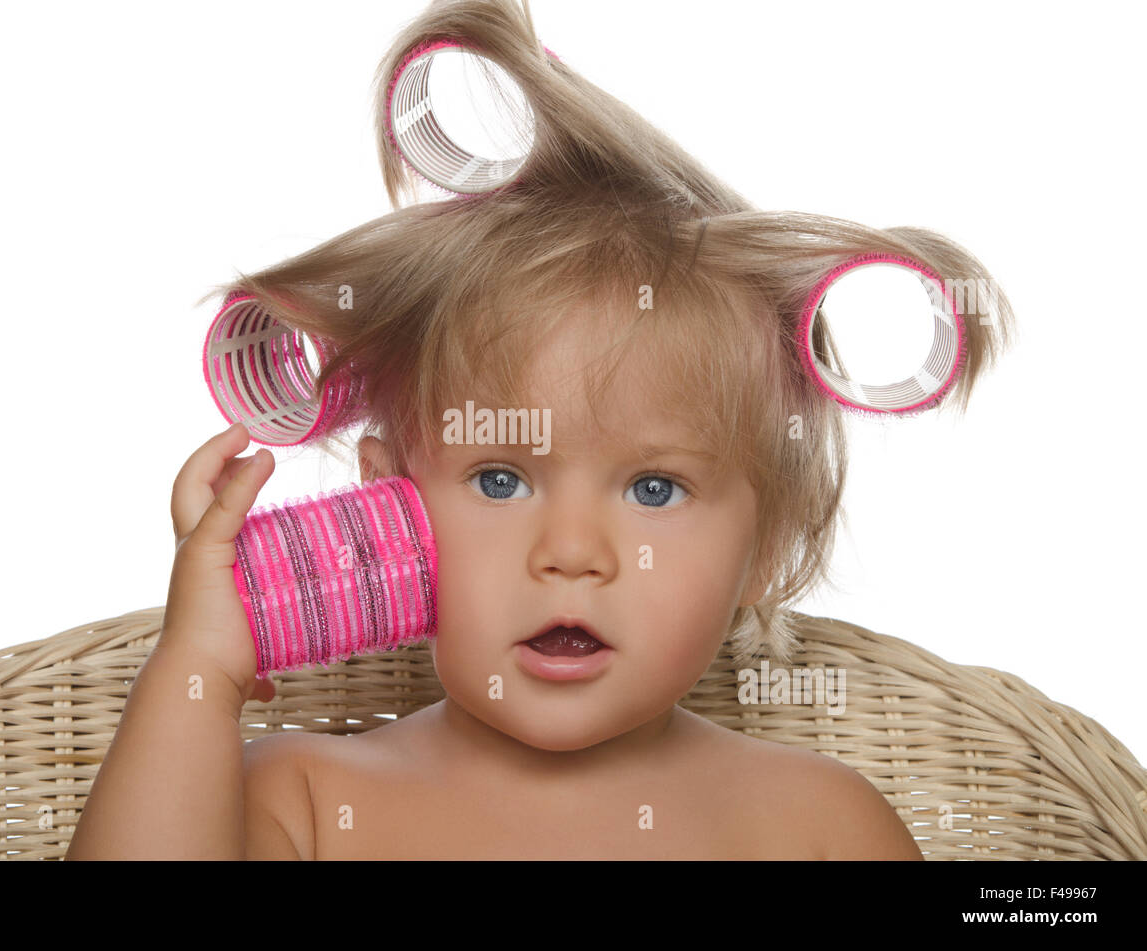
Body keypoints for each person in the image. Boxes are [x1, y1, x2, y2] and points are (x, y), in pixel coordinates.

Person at [66, 0, 1011, 860]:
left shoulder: (817, 825)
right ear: (388, 511)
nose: (571, 554)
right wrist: (198, 664)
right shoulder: (302, 799)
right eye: (500, 480)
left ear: (761, 548)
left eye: (654, 489)